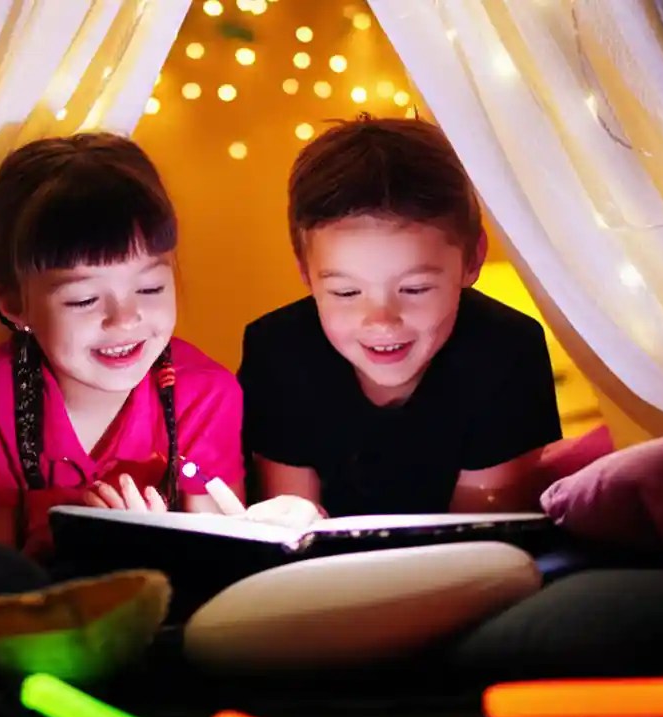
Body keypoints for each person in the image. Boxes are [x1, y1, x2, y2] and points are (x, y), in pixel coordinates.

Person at [0, 132, 246, 560]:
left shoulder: (205, 395)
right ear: (13, 303)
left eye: (151, 287)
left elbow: (222, 557)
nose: (124, 319)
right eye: (84, 299)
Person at [238, 115, 562, 518]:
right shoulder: (279, 352)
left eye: (414, 289)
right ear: (306, 272)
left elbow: (482, 534)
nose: (381, 320)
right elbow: (290, 524)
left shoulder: (506, 350)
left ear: (471, 259)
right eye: (345, 292)